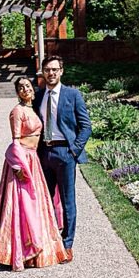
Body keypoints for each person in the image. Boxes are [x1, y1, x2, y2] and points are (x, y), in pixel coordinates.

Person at [0, 77, 72, 270]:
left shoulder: (33, 108)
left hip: (34, 160)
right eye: (21, 87)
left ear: (33, 89)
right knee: (21, 205)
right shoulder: (17, 111)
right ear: (17, 92)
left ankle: (39, 247)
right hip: (22, 160)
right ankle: (19, 250)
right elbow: (15, 141)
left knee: (36, 204)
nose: (25, 89)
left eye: (28, 86)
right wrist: (18, 166)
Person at [35, 56, 92, 258]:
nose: (51, 73)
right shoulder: (38, 96)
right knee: (44, 199)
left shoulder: (72, 95)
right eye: (47, 70)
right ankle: (49, 238)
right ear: (42, 72)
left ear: (61, 71)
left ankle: (67, 243)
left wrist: (74, 150)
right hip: (44, 153)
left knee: (68, 201)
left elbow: (86, 127)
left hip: (65, 153)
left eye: (54, 70)